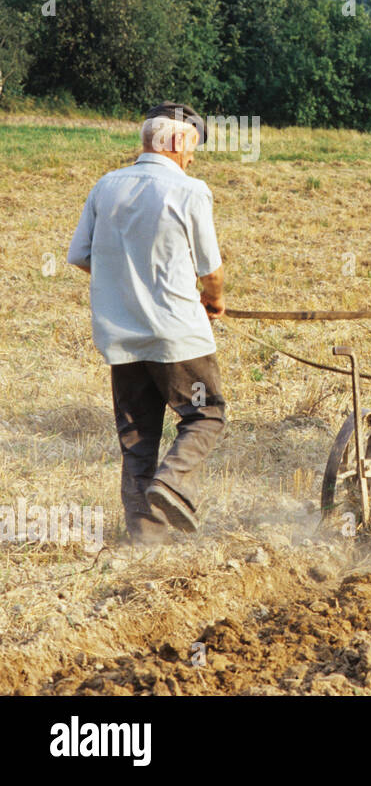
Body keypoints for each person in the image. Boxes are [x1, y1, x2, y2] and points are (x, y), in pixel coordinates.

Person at [67, 102, 227, 544]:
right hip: (178, 336)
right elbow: (210, 270)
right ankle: (173, 484)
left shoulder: (106, 186)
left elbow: (81, 255)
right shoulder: (190, 190)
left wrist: (126, 281)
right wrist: (213, 301)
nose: (193, 158)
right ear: (177, 143)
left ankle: (146, 543)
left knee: (137, 439)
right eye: (192, 148)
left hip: (122, 336)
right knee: (205, 414)